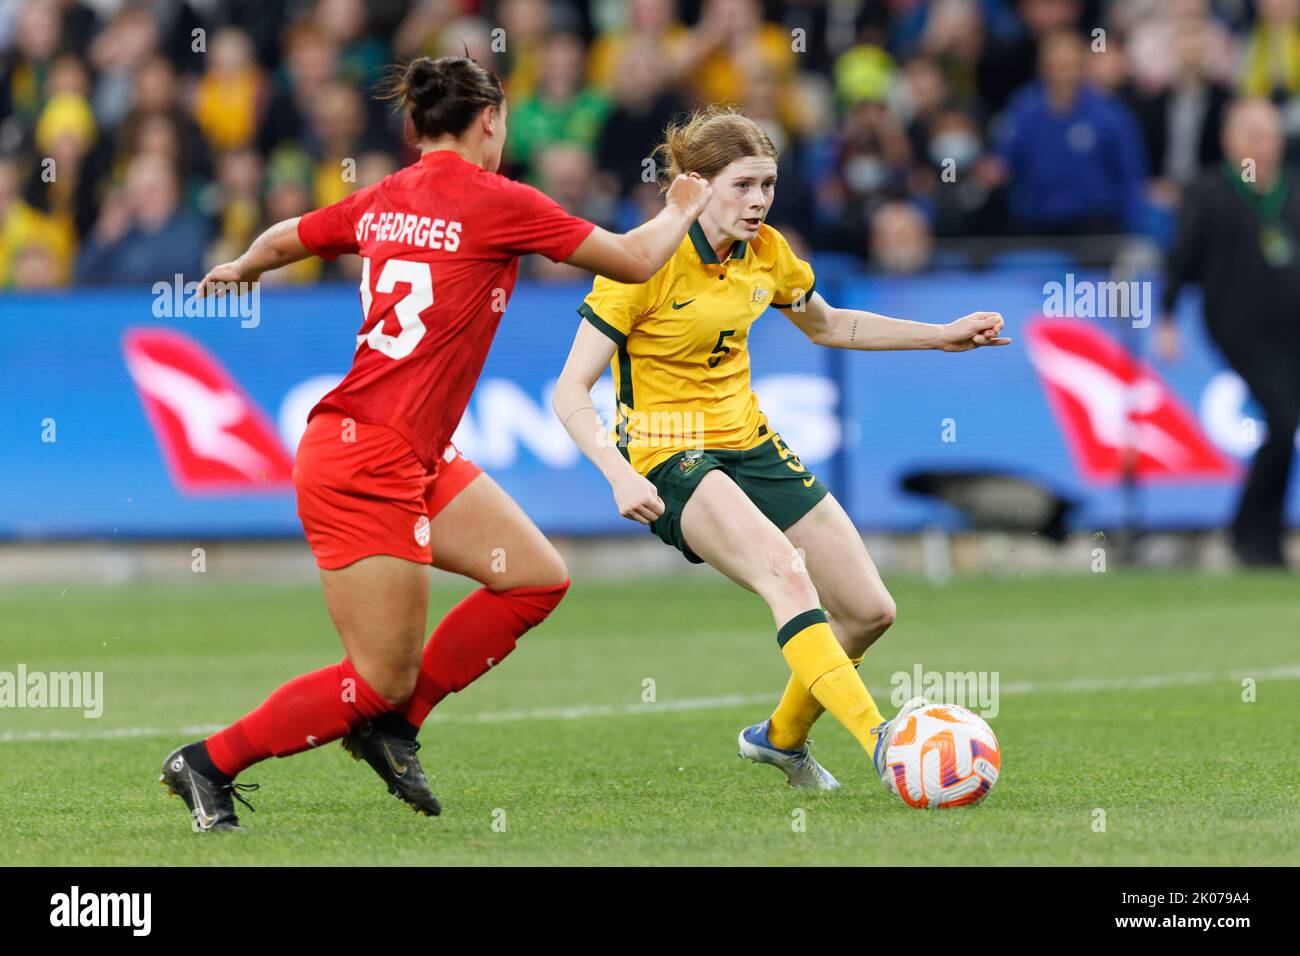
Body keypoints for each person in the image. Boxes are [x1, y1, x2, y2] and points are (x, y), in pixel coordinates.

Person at [159, 55, 712, 831]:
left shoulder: (386, 197)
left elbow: (294, 235)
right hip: (366, 460)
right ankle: (208, 762)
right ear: (491, 119)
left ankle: (392, 729)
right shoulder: (498, 202)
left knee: (533, 578)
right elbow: (633, 257)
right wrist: (682, 204)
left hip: (406, 449)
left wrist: (244, 266)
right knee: (377, 676)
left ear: (418, 126)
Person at [552, 107, 1008, 790]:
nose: (759, 200)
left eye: (767, 184)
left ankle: (782, 739)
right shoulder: (641, 261)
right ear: (697, 187)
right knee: (784, 573)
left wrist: (940, 334)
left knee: (868, 610)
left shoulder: (767, 252)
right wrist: (617, 473)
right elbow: (569, 392)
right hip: (666, 450)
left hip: (750, 442)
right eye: (742, 185)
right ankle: (883, 742)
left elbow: (830, 325)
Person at [1160, 98, 1300, 568]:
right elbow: (1181, 257)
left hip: (1293, 331)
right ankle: (1250, 534)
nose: (1267, 145)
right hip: (1239, 328)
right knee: (1282, 420)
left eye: (1272, 135)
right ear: (1230, 141)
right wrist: (1166, 317)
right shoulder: (1210, 192)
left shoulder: (1292, 190)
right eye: (1256, 134)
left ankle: (1262, 536)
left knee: (1284, 430)